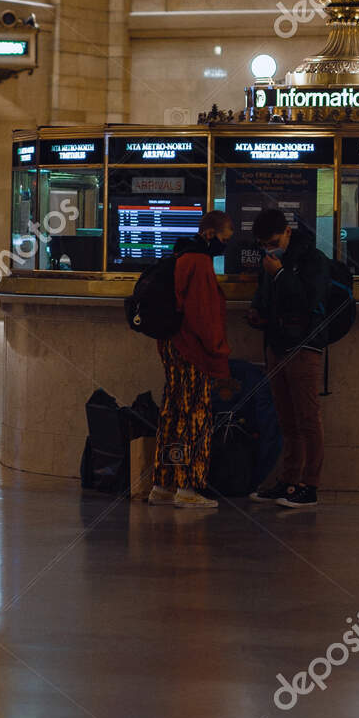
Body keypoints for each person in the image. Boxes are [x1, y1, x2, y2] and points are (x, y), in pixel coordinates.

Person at [148, 211, 236, 507]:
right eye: (225, 238)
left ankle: (163, 483)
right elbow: (204, 316)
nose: (225, 244)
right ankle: (189, 487)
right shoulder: (199, 262)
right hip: (193, 351)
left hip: (173, 347)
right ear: (210, 234)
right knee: (195, 416)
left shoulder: (179, 257)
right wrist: (219, 350)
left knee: (172, 414)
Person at [247, 208, 331, 509]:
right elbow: (265, 296)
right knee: (287, 418)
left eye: (272, 241)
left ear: (287, 233)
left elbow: (309, 302)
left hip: (304, 346)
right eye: (263, 244)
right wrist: (257, 311)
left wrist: (280, 274)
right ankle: (288, 480)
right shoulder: (269, 263)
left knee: (308, 419)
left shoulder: (313, 260)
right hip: (277, 345)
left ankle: (310, 485)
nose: (269, 248)